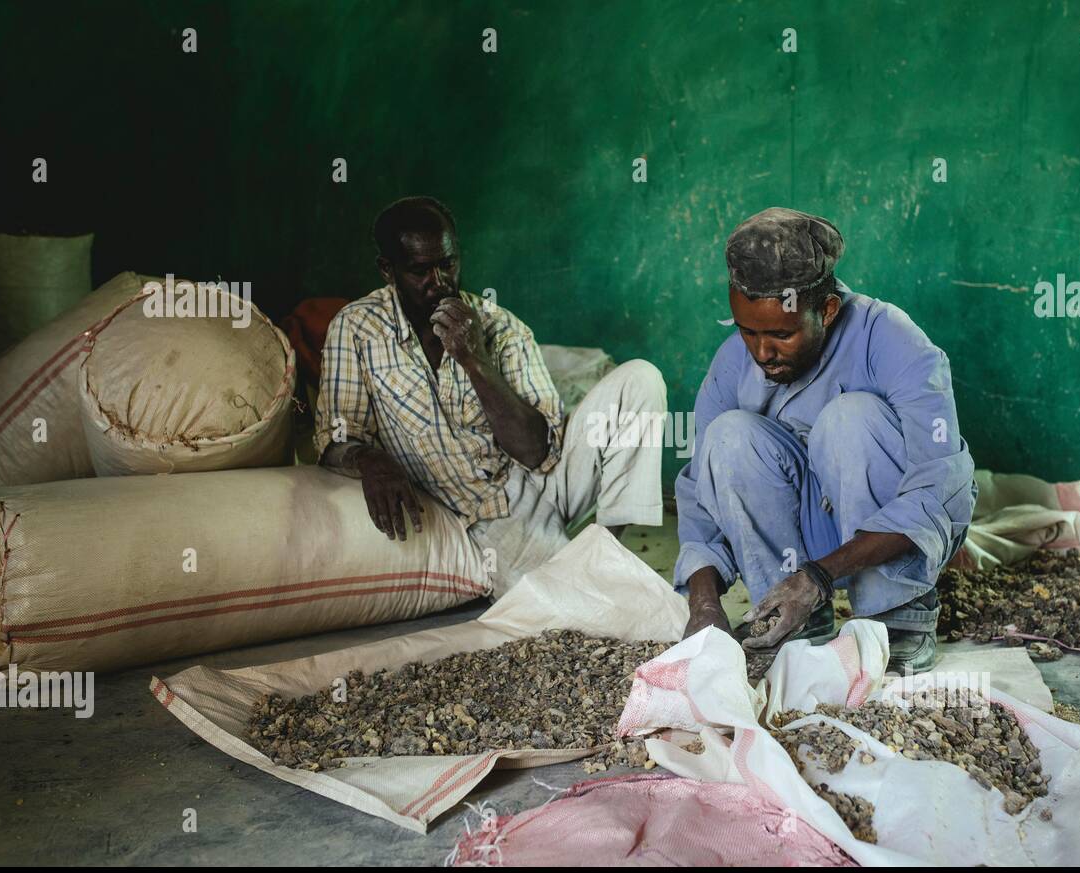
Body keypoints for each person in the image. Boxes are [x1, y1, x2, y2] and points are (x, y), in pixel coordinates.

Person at [674, 207, 976, 673]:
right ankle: (791, 614)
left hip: (888, 528)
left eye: (781, 334)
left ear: (828, 310)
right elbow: (699, 495)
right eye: (747, 331)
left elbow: (937, 488)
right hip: (813, 534)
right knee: (727, 436)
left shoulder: (892, 338)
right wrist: (704, 603)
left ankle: (898, 616)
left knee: (849, 418)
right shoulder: (735, 361)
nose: (762, 352)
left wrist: (819, 574)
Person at [315, 196, 667, 596]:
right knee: (583, 606)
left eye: (447, 264)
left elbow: (539, 453)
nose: (439, 281)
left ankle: (608, 549)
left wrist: (474, 358)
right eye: (419, 271)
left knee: (642, 378)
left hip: (546, 479)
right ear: (387, 270)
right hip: (491, 514)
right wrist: (371, 460)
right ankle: (591, 576)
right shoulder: (357, 329)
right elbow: (335, 435)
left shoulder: (502, 327)